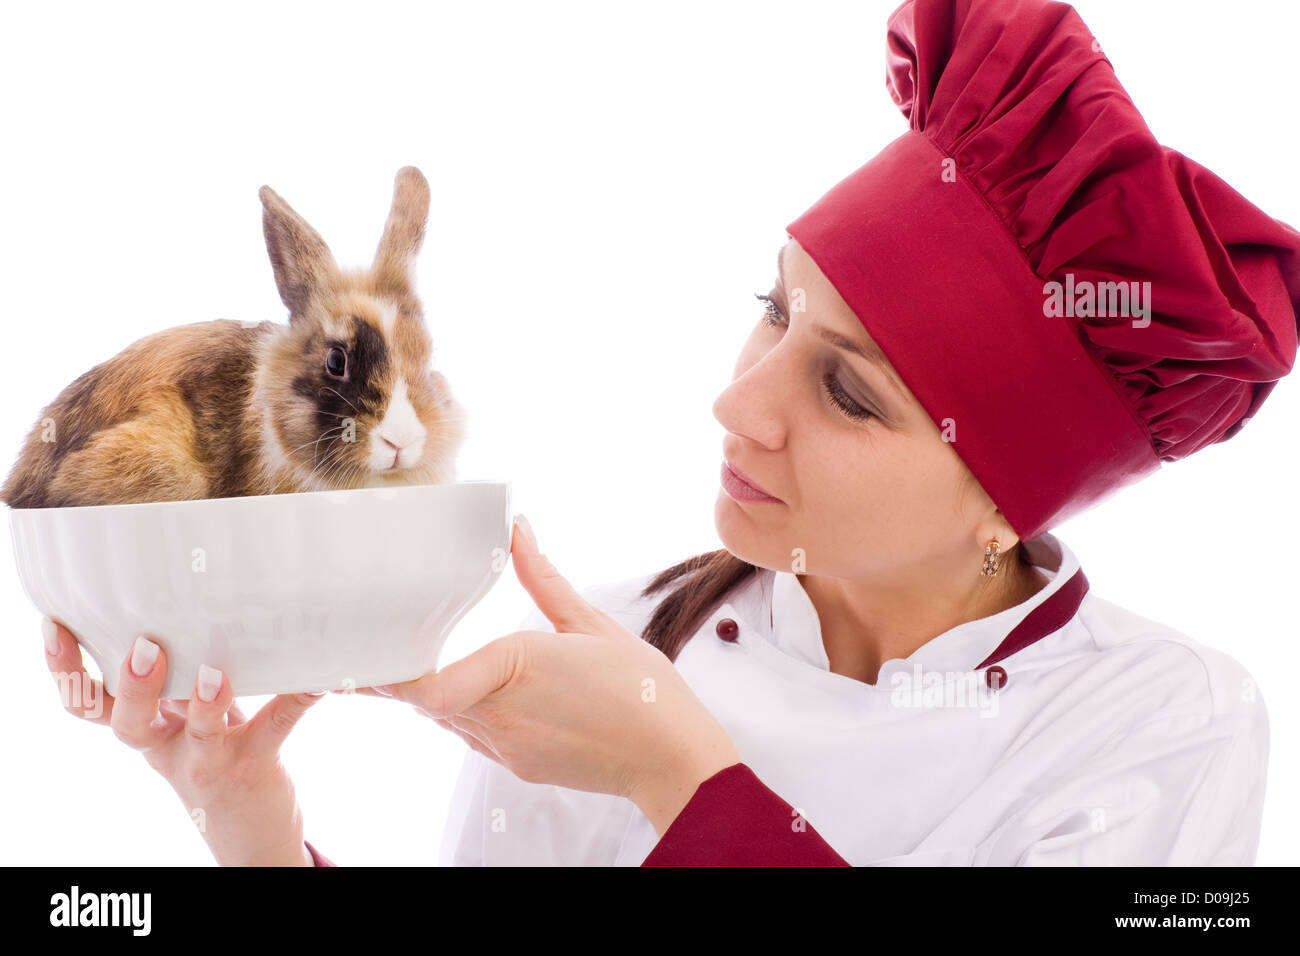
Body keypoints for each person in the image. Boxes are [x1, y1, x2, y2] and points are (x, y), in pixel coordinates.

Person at [42, 0, 1297, 866]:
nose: (739, 402)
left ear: (1003, 502)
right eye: (773, 311)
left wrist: (684, 786)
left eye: (849, 393)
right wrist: (253, 826)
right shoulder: (606, 645)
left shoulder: (1169, 724)